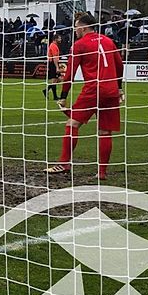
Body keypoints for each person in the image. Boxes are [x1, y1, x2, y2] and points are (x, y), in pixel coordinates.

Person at [46, 13, 124, 179]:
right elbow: (119, 65)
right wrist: (119, 88)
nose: (75, 30)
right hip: (110, 90)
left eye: (76, 27)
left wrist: (63, 95)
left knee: (72, 124)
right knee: (105, 131)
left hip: (93, 90)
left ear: (83, 27)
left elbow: (70, 74)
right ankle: (102, 173)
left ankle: (64, 163)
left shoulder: (79, 45)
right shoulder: (108, 41)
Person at [43, 32, 63, 101]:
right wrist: (57, 67)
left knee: (59, 79)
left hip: (54, 63)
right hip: (53, 64)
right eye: (59, 38)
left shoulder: (53, 45)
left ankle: (46, 90)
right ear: (55, 39)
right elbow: (54, 57)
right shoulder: (53, 46)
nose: (61, 39)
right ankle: (54, 96)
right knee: (55, 80)